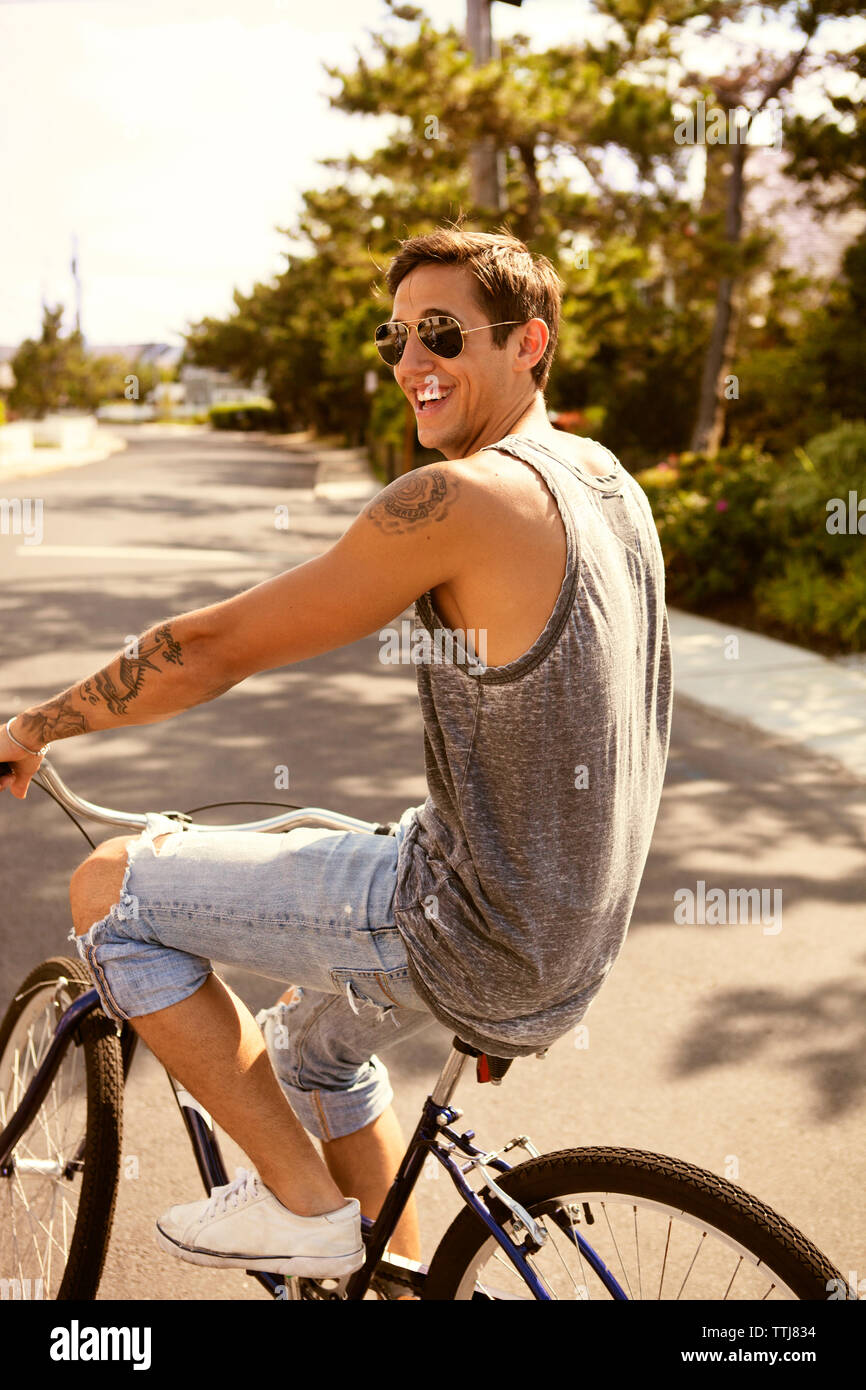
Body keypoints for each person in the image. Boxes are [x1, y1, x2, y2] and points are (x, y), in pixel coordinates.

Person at [0, 225, 672, 1282]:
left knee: (110, 889)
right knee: (311, 1048)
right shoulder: (606, 484)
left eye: (440, 334)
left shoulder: (458, 500)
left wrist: (38, 723)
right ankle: (391, 1288)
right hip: (570, 932)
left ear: (528, 342)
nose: (411, 364)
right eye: (393, 335)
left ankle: (299, 1204)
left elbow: (216, 647)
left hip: (465, 924)